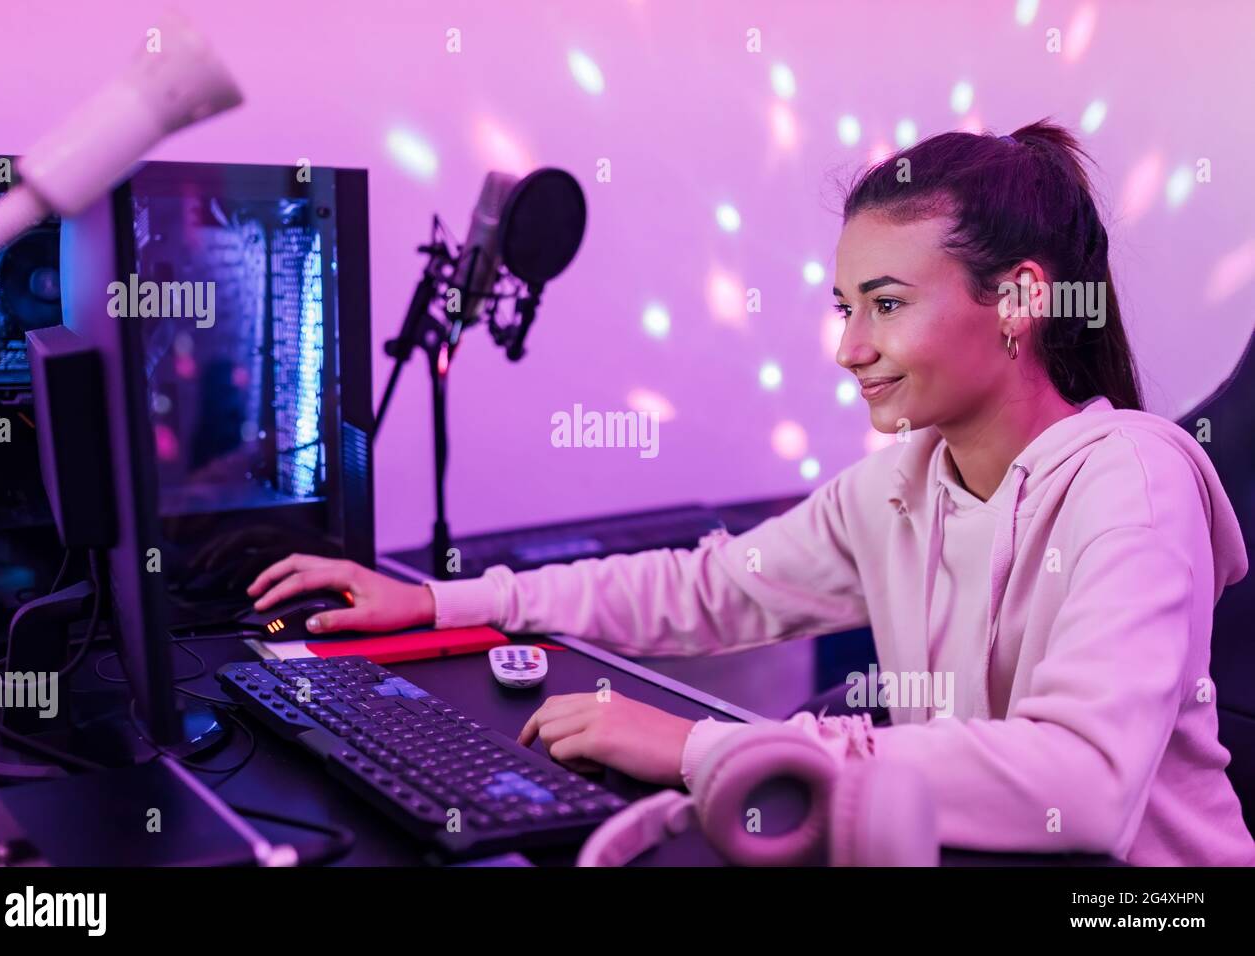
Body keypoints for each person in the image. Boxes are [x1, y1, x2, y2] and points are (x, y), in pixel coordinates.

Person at [248, 119, 1254, 866]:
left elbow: (1077, 788)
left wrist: (703, 746)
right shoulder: (901, 485)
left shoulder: (1133, 477)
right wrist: (440, 602)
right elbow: (703, 587)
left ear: (1022, 301)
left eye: (888, 305)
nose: (851, 347)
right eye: (845, 306)